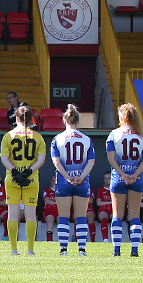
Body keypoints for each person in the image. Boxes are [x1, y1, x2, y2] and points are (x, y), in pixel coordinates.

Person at [0, 104, 46, 255]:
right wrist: (27, 172)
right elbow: (41, 160)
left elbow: (4, 158)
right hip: (31, 179)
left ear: (16, 118)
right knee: (30, 214)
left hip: (12, 179)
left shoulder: (8, 136)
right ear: (32, 118)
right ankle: (30, 249)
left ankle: (14, 249)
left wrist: (15, 172)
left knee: (12, 214)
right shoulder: (38, 137)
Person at [105, 102, 143, 257]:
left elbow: (111, 158)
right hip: (136, 179)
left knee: (117, 215)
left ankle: (116, 250)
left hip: (119, 178)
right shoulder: (142, 136)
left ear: (122, 116)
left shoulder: (114, 134)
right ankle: (134, 250)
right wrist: (136, 174)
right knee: (135, 215)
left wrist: (123, 174)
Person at [50, 104, 95, 255]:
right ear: (78, 120)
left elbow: (56, 161)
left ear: (65, 120)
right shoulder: (87, 139)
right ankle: (81, 249)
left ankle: (63, 249)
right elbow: (91, 161)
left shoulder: (57, 139)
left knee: (63, 216)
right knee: (81, 216)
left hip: (64, 181)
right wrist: (81, 177)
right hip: (82, 181)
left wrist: (67, 177)